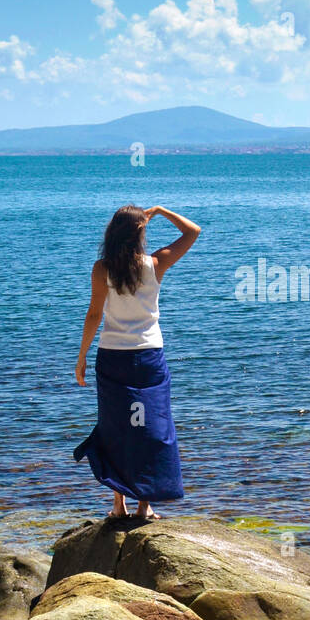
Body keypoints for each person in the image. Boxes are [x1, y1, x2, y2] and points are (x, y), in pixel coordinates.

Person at [73, 204, 201, 519]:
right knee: (151, 427)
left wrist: (82, 357)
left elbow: (94, 315)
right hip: (148, 357)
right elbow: (192, 231)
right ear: (140, 233)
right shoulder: (155, 263)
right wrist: (160, 211)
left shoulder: (102, 268)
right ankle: (144, 505)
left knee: (116, 428)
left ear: (113, 233)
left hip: (113, 356)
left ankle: (119, 505)